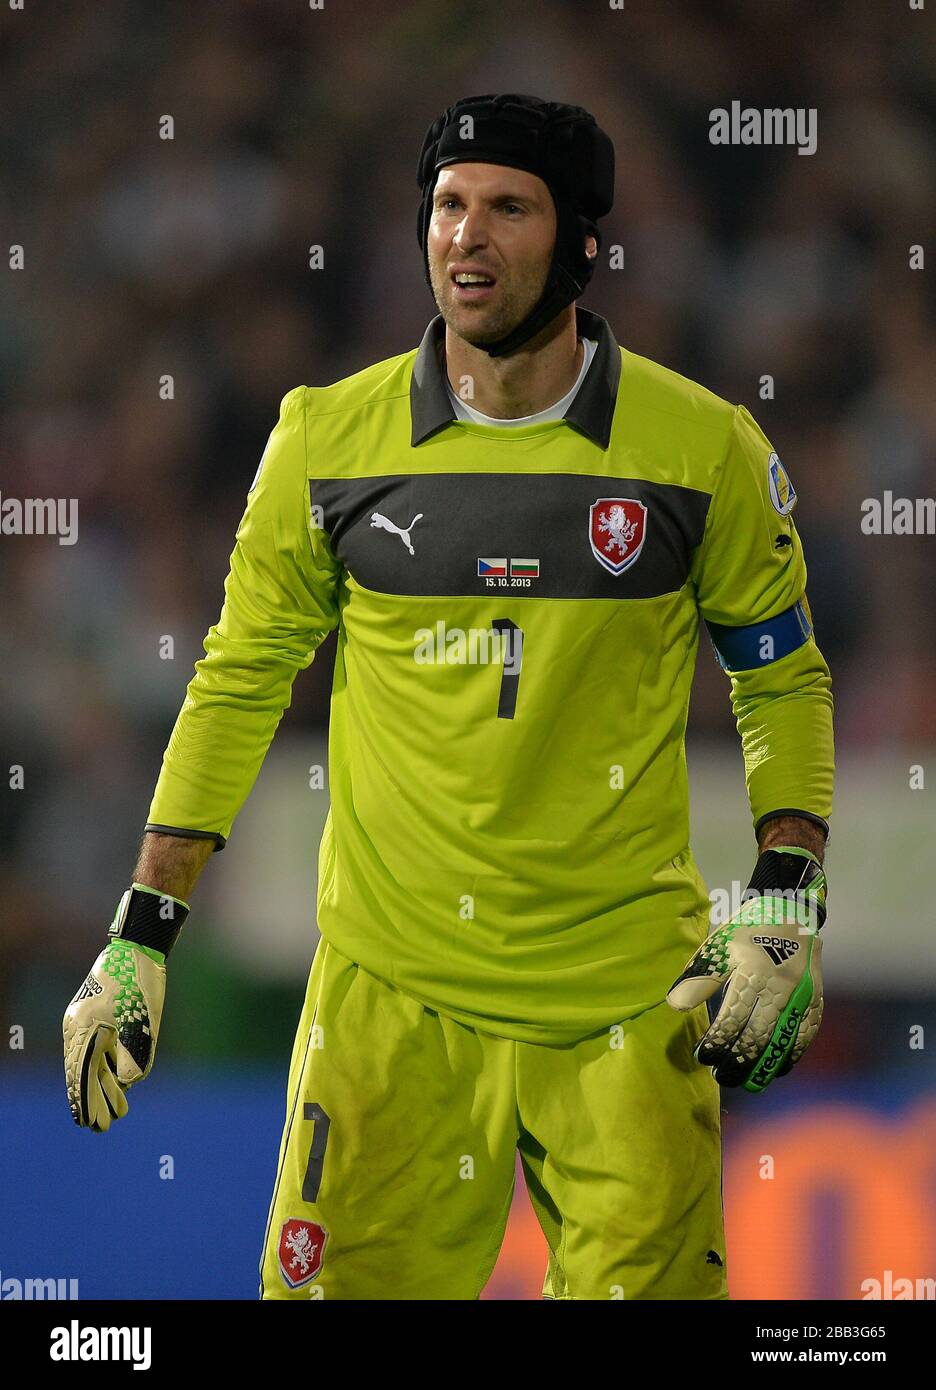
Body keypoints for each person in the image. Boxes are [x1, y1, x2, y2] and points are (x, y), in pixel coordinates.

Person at [63, 93, 833, 1301]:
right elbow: (238, 681)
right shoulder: (325, 439)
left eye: (508, 208)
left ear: (583, 243)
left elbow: (780, 673)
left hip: (627, 1001)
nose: (466, 237)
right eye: (448, 206)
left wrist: (787, 893)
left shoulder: (702, 448)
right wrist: (140, 930)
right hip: (390, 1000)